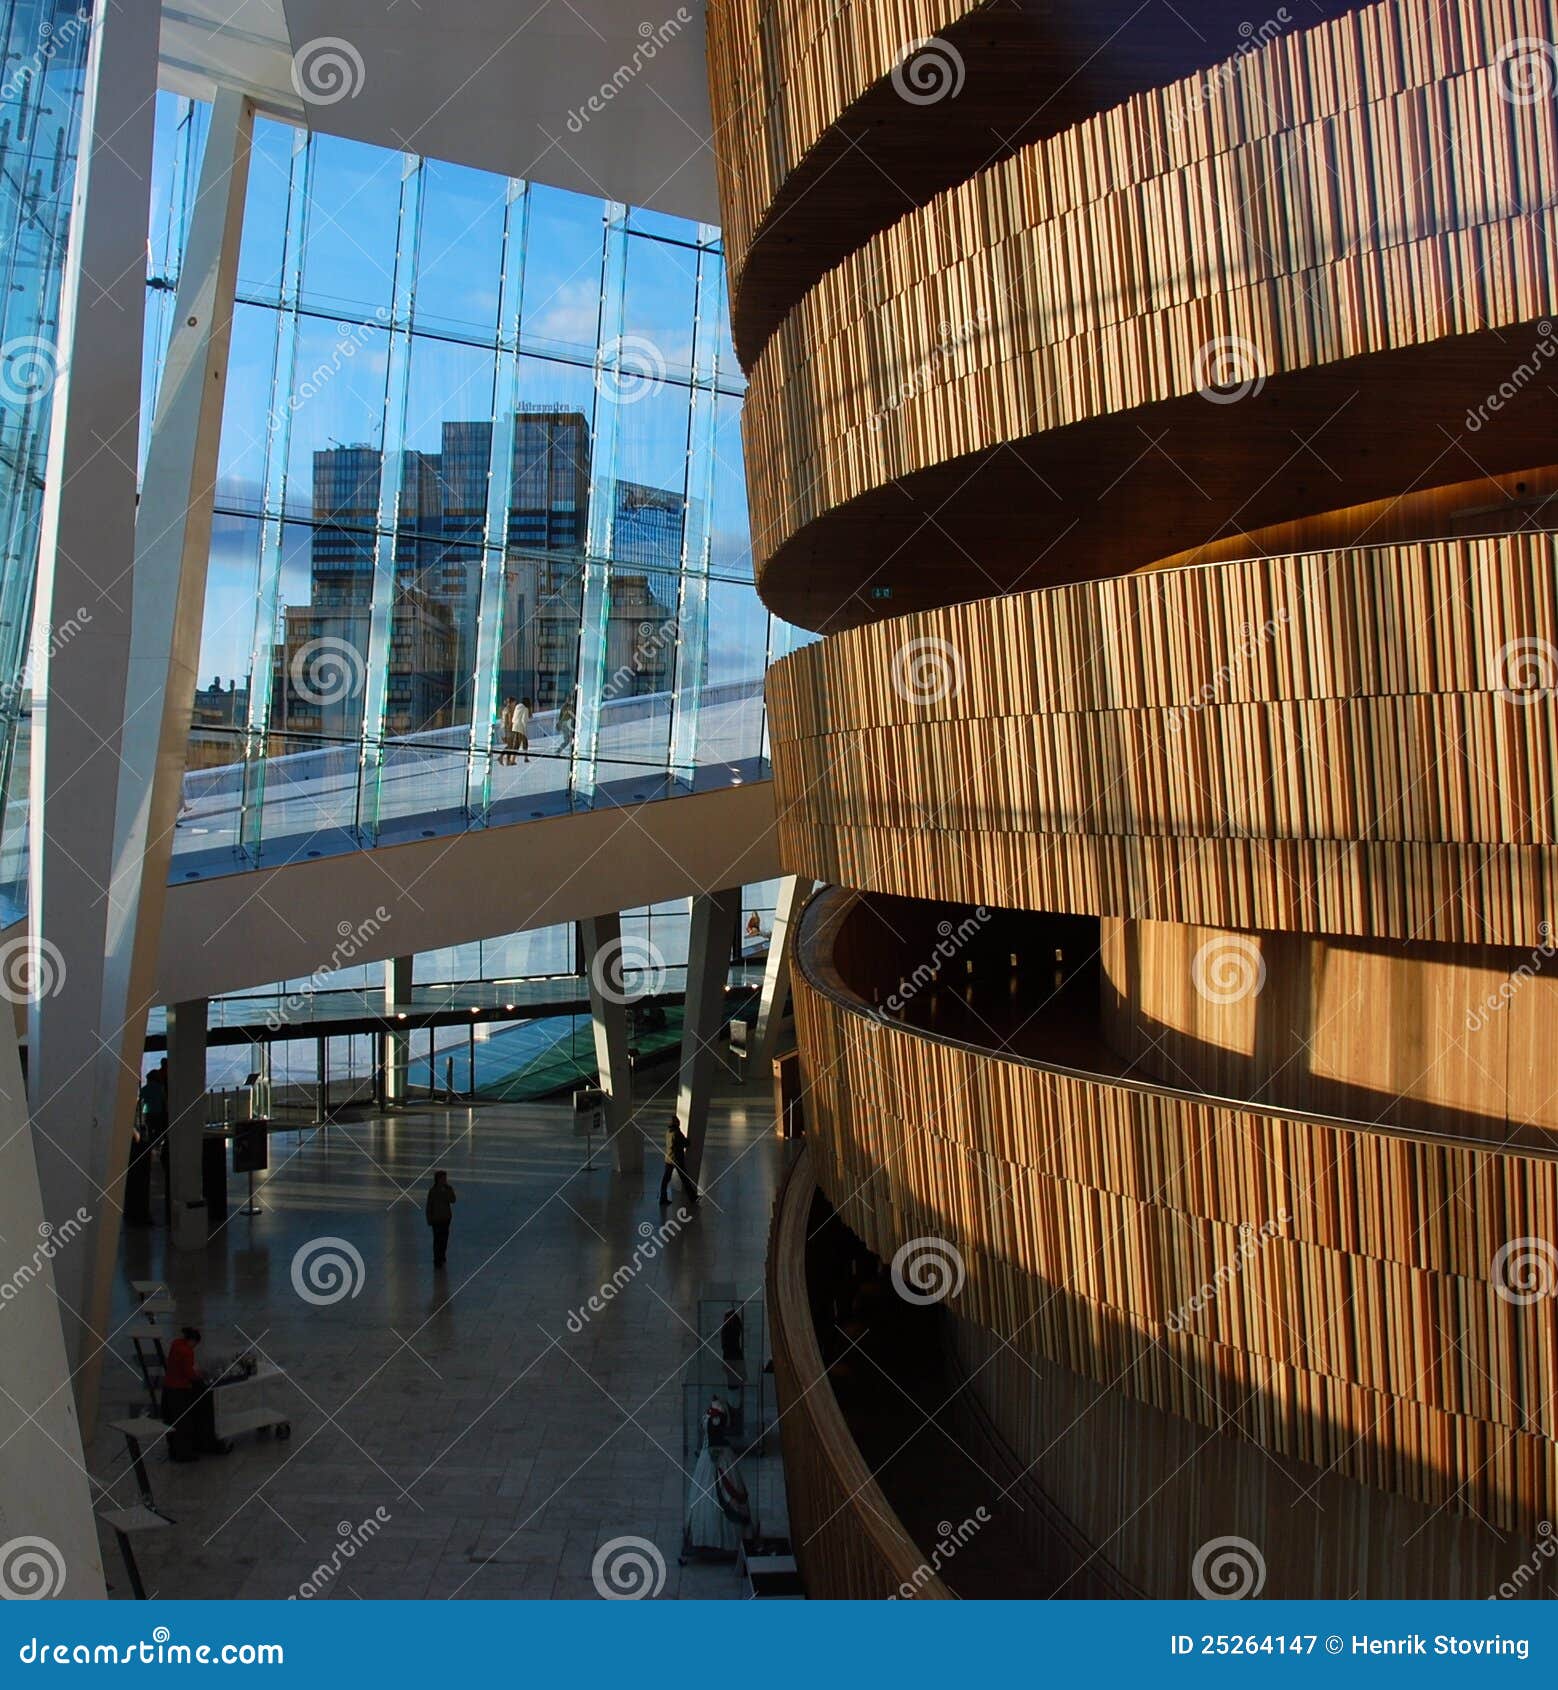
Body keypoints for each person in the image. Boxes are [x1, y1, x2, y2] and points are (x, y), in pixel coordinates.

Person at [160, 1327, 231, 1461]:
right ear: (192, 1341)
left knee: (173, 1420)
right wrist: (201, 1375)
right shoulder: (186, 1352)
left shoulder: (176, 1344)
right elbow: (190, 1373)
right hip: (180, 1390)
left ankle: (175, 1450)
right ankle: (187, 1451)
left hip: (168, 1387)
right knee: (184, 1422)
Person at [658, 1116, 698, 1207]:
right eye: (678, 1122)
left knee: (665, 1179)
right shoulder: (677, 1133)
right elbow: (685, 1143)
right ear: (676, 1123)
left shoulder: (668, 1132)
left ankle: (663, 1198)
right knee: (685, 1179)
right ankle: (693, 1197)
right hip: (677, 1159)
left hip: (668, 1159)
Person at [426, 1170, 456, 1268]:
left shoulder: (448, 1188)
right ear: (438, 1179)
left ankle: (442, 1255)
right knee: (437, 1239)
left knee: (444, 1239)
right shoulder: (433, 1191)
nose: (445, 1180)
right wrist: (429, 1218)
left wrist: (447, 1190)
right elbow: (429, 1205)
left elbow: (453, 1200)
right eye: (443, 1178)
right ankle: (437, 1258)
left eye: (445, 1178)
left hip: (445, 1218)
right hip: (436, 1219)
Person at [511, 696, 532, 765]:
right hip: (521, 728)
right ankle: (514, 760)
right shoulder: (525, 709)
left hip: (515, 726)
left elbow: (513, 718)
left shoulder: (517, 706)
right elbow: (524, 720)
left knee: (517, 743)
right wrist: (525, 730)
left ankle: (514, 759)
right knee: (523, 743)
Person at [497, 698, 516, 767]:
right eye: (514, 703)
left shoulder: (505, 709)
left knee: (510, 745)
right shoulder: (509, 710)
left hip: (503, 729)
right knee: (511, 746)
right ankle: (506, 760)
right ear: (511, 703)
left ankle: (503, 758)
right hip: (507, 730)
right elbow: (510, 722)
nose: (514, 704)